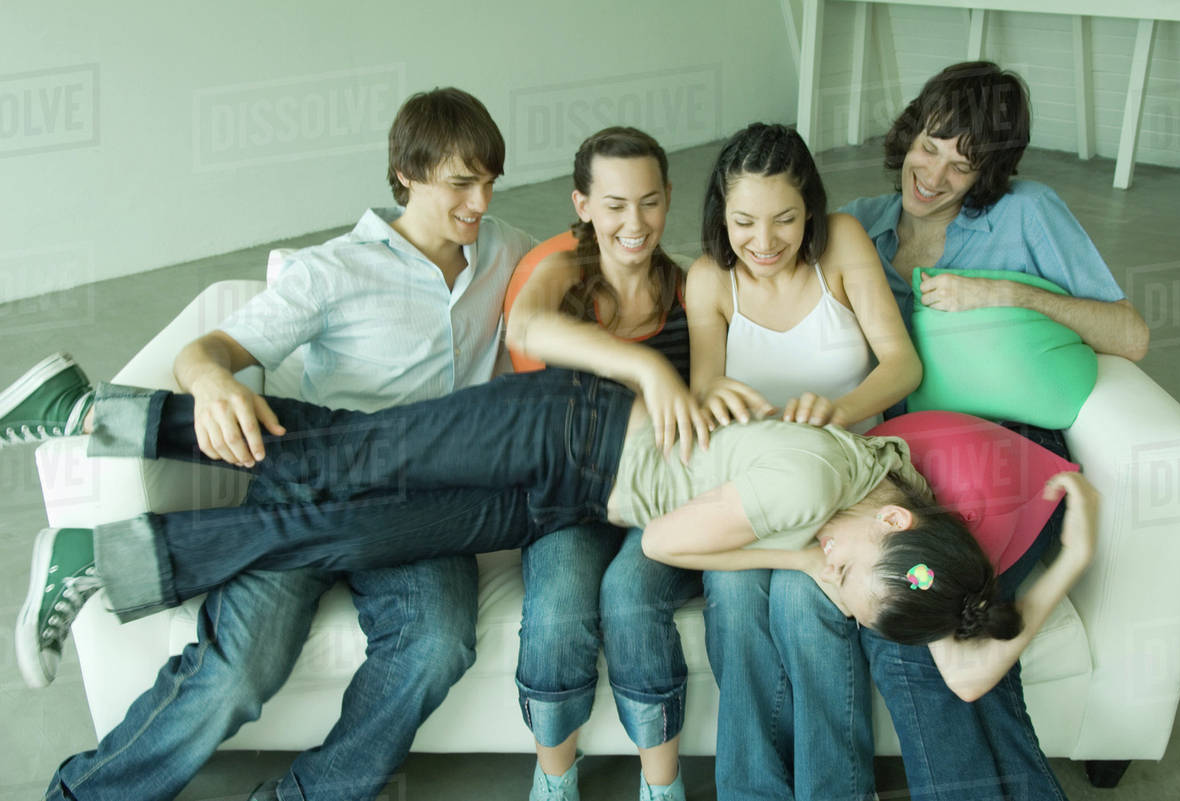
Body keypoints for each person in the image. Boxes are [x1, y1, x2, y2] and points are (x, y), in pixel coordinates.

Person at [3, 87, 534, 801]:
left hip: (424, 504)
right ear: (406, 173)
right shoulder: (333, 270)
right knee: (240, 668)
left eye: (490, 179)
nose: (481, 200)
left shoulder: (503, 252)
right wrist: (214, 384)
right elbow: (211, 349)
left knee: (436, 645)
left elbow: (571, 278)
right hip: (312, 480)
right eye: (461, 182)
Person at [15, 364, 1097, 686]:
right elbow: (671, 546)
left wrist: (1066, 557)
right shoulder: (813, 500)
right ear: (890, 521)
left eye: (843, 590)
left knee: (345, 522)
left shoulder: (877, 483)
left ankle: (116, 555)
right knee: (347, 463)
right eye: (854, 571)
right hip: (565, 433)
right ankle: (91, 415)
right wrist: (805, 565)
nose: (832, 573)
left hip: (569, 487)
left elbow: (962, 650)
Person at [809, 60, 1150, 801]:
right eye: (930, 145)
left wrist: (1005, 292)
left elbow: (1130, 334)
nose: (933, 174)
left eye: (963, 165)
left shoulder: (1027, 215)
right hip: (908, 472)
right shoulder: (857, 227)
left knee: (911, 637)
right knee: (938, 627)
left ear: (989, 173)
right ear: (909, 132)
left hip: (1008, 465)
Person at [683, 121, 921, 801]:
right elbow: (704, 392)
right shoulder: (710, 281)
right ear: (720, 216)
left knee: (801, 595)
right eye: (744, 222)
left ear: (810, 209)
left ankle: (837, 790)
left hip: (850, 471)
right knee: (731, 593)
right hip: (761, 478)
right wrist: (720, 401)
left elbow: (903, 362)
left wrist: (840, 409)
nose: (764, 242)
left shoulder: (841, 244)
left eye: (785, 219)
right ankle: (750, 790)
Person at [505, 127, 699, 801]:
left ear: (669, 199)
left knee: (629, 595)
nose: (634, 222)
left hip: (666, 497)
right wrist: (644, 365)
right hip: (574, 496)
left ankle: (660, 785)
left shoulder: (685, 286)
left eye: (649, 202)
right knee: (557, 608)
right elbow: (525, 329)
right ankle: (556, 777)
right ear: (582, 204)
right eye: (614, 204)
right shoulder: (562, 269)